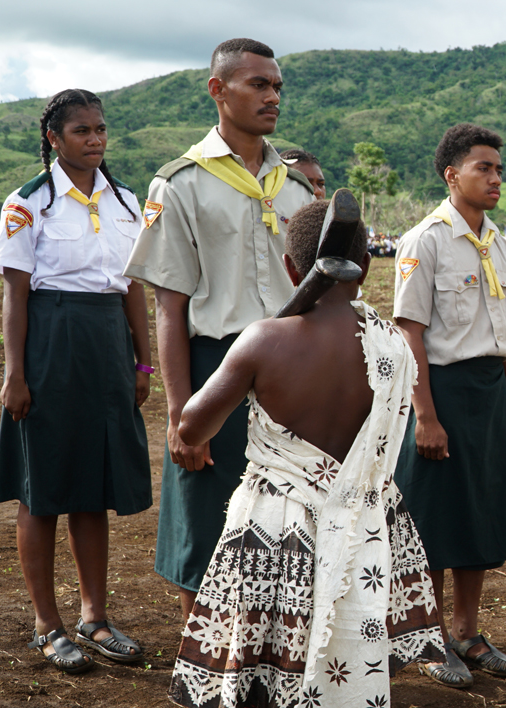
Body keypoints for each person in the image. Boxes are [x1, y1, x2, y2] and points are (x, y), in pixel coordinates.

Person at [167, 196, 445, 707]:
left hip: (275, 533)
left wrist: (254, 354)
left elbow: (191, 427)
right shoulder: (395, 349)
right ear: (365, 265)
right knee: (341, 671)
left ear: (292, 268)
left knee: (260, 675)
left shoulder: (265, 340)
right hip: (364, 532)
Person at [123, 38, 317, 621]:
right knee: (209, 518)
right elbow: (170, 305)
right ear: (218, 89)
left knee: (290, 519)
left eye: (277, 86)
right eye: (258, 84)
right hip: (216, 366)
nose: (272, 96)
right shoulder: (181, 184)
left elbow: (313, 298)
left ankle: (271, 658)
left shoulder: (298, 188)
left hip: (291, 373)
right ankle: (203, 663)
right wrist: (184, 415)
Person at [0, 89, 152, 674]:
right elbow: (14, 295)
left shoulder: (125, 201)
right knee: (42, 492)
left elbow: (133, 287)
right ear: (54, 140)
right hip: (51, 348)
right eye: (82, 131)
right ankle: (48, 624)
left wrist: (141, 363)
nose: (95, 139)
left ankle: (95, 617)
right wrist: (15, 374)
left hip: (108, 346)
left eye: (101, 129)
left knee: (94, 485)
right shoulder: (27, 203)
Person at [392, 123, 506, 688]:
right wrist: (425, 415)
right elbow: (409, 332)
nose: (496, 178)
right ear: (452, 175)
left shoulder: (498, 240)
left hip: (488, 394)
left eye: (498, 168)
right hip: (440, 391)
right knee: (433, 522)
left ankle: (468, 634)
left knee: (479, 514)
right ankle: (427, 637)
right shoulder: (424, 240)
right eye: (483, 168)